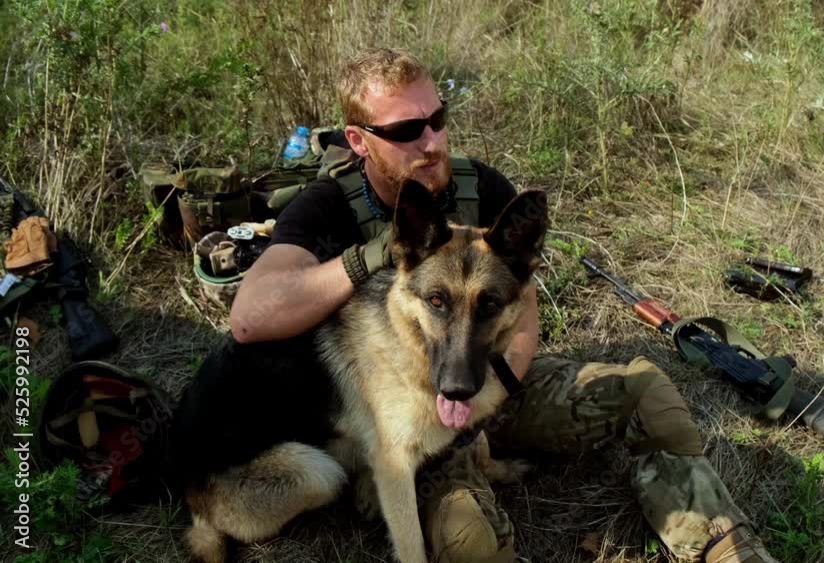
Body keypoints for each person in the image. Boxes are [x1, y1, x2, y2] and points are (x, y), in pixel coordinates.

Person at [229, 47, 777, 563]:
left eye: (437, 119)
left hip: (492, 380)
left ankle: (722, 548)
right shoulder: (324, 208)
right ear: (359, 138)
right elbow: (251, 317)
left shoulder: (479, 186)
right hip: (412, 415)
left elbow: (522, 308)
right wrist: (367, 257)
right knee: (472, 543)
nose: (431, 142)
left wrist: (498, 394)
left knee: (650, 397)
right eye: (405, 131)